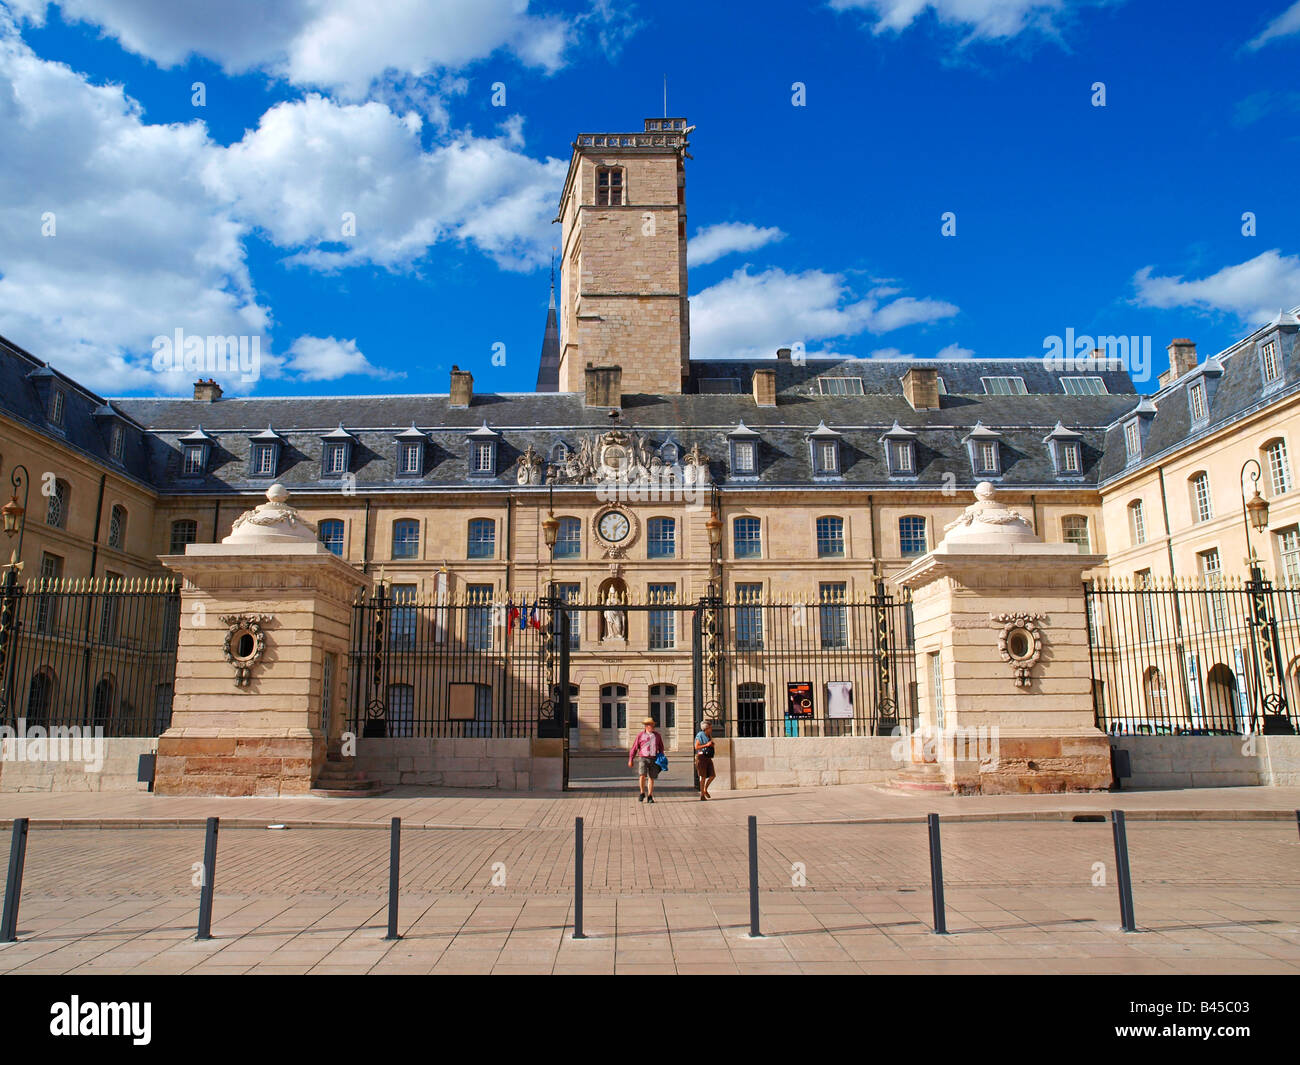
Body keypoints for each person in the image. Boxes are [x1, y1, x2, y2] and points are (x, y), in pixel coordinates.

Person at [628, 717, 663, 803]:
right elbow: (635, 747)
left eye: (652, 725)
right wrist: (631, 759)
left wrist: (661, 758)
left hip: (653, 758)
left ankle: (650, 795)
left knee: (651, 777)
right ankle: (642, 792)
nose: (652, 726)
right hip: (643, 757)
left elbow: (661, 747)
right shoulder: (640, 735)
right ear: (646, 726)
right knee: (642, 775)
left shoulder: (657, 735)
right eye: (650, 725)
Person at [694, 719, 716, 800]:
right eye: (710, 727)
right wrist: (707, 745)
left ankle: (705, 789)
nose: (711, 729)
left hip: (708, 757)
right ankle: (702, 795)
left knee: (712, 775)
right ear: (706, 728)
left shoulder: (709, 736)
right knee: (703, 776)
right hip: (701, 757)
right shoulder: (700, 735)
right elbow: (696, 747)